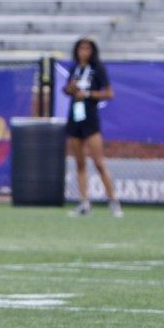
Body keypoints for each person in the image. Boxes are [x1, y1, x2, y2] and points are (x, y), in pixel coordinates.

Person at [63, 37, 122, 218]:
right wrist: (70, 88)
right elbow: (66, 91)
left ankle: (113, 201)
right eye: (81, 48)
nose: (84, 52)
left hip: (90, 119)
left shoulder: (98, 69)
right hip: (75, 117)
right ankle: (84, 202)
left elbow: (109, 93)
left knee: (98, 162)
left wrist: (87, 94)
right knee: (79, 163)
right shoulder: (74, 69)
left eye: (87, 49)